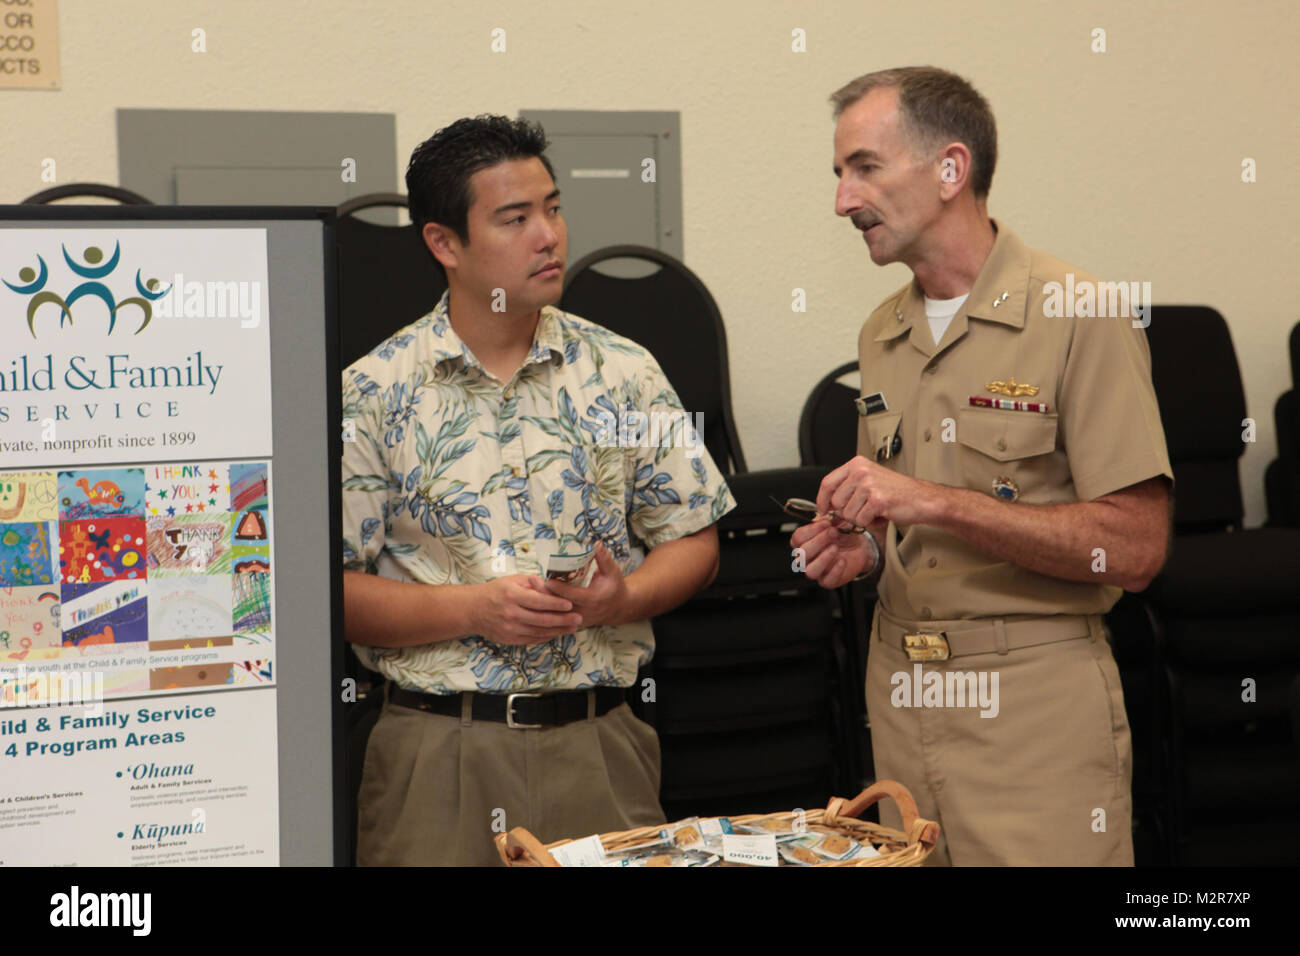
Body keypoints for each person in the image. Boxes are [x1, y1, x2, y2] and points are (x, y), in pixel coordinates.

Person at [792, 67, 1173, 865]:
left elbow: (1135, 549)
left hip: (1031, 707)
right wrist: (864, 548)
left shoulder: (1080, 314)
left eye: (864, 167)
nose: (842, 200)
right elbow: (905, 519)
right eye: (838, 174)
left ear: (950, 170)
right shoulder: (882, 332)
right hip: (901, 691)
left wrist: (936, 502)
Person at [342, 115, 734, 866]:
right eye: (515, 219)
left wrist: (626, 600)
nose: (548, 236)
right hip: (436, 753)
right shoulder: (371, 393)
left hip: (600, 746)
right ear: (444, 244)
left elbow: (696, 540)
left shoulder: (626, 372)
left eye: (552, 209)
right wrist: (475, 610)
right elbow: (330, 595)